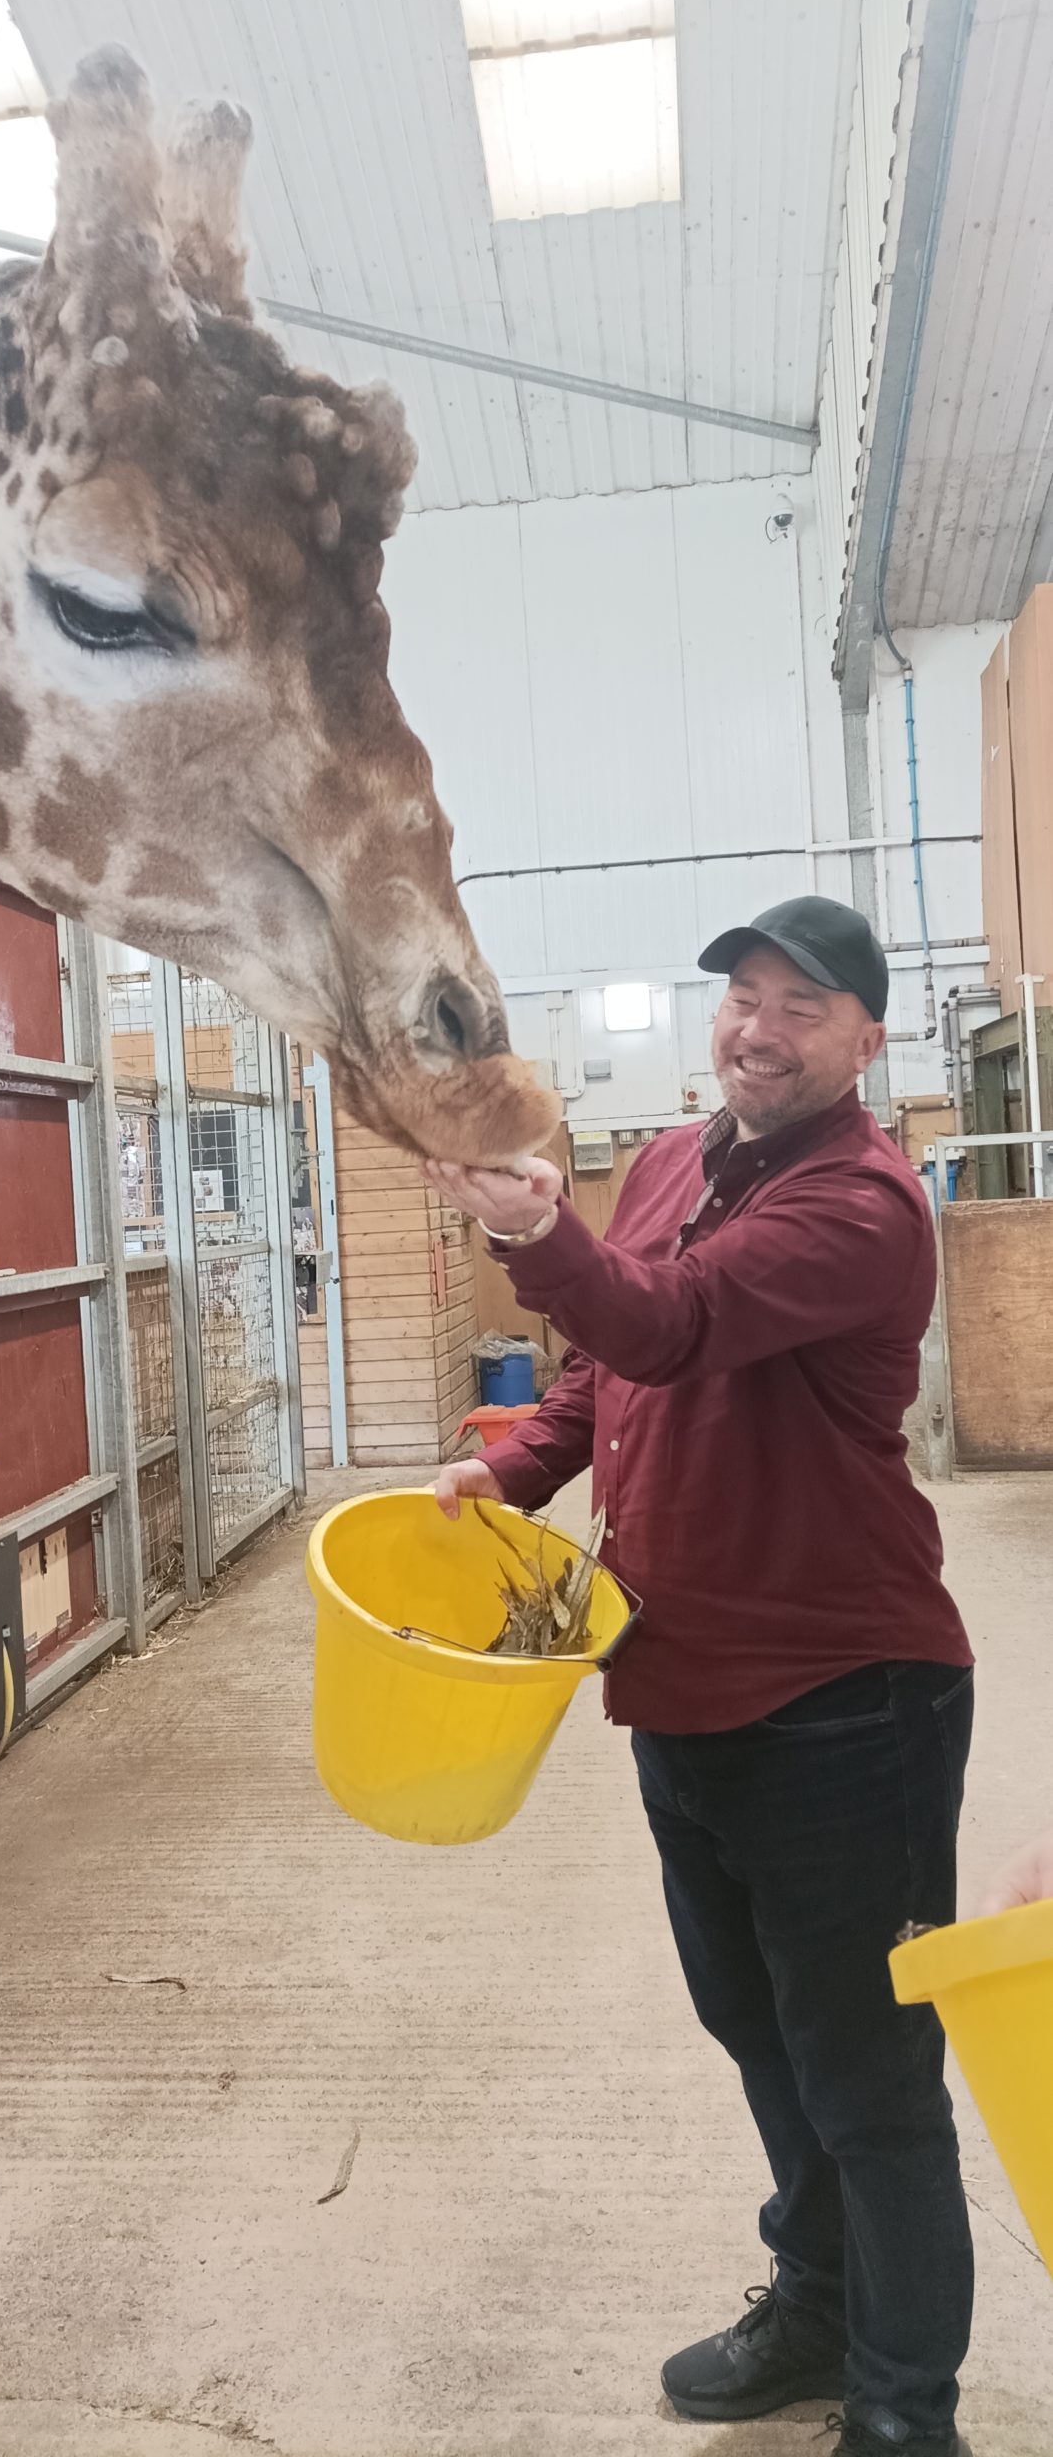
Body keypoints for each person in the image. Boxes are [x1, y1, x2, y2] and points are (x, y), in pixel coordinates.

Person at [432, 897, 976, 2457]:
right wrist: (524, 1467)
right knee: (755, 2022)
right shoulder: (671, 1159)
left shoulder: (863, 1203)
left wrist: (537, 1234)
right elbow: (604, 1378)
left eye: (802, 1005)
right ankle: (815, 2306)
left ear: (869, 1041)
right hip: (675, 1674)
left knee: (867, 2069)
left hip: (843, 1696)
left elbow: (669, 1323)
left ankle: (904, 2405)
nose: (756, 1025)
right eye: (741, 995)